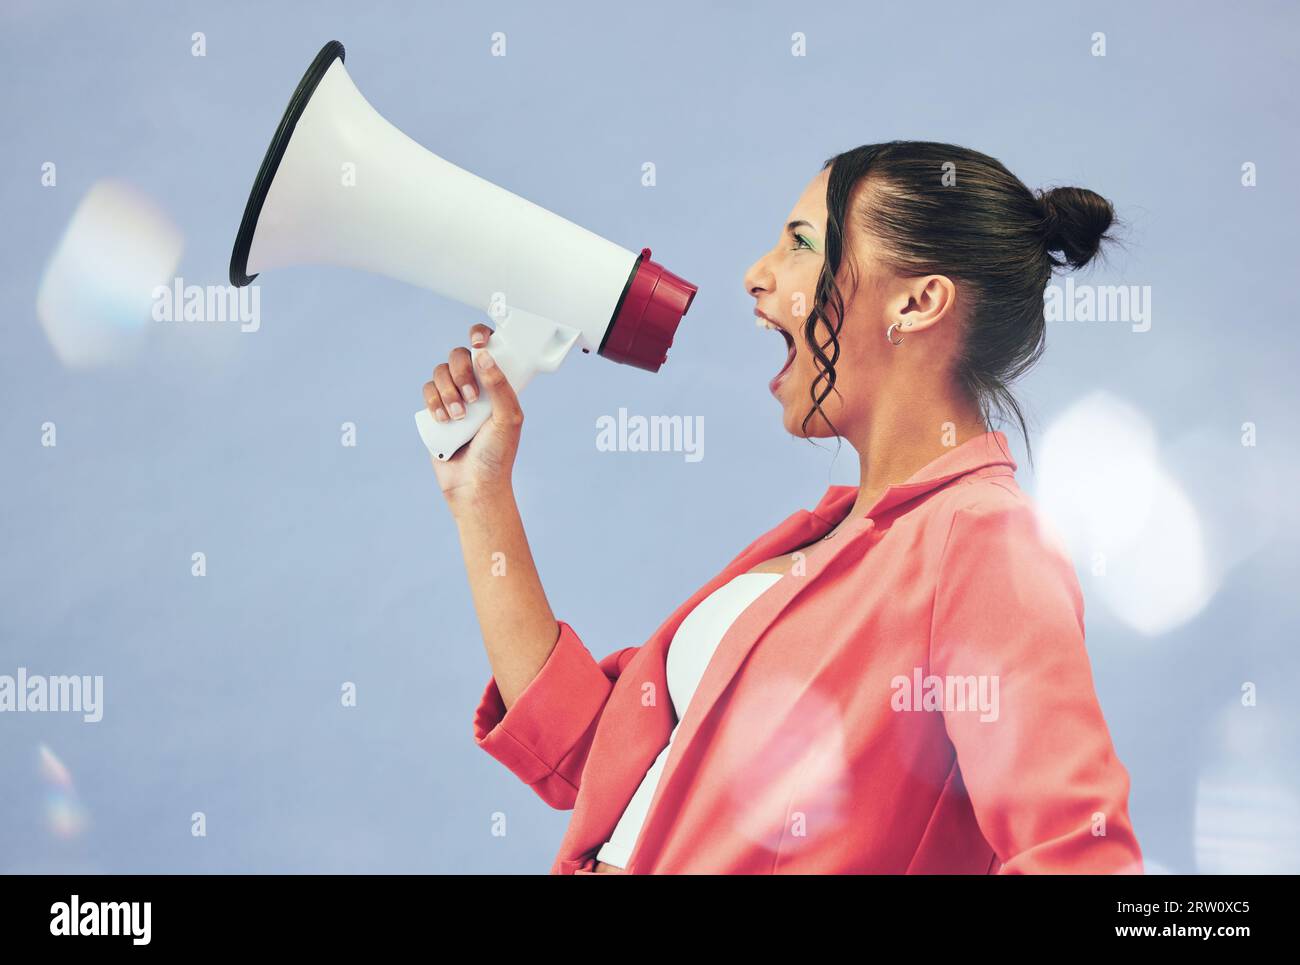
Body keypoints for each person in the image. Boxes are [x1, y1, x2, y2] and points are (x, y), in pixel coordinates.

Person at [423, 141, 1143, 875]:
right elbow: (596, 755)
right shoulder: (824, 543)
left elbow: (1079, 859)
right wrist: (480, 495)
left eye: (801, 242)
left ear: (918, 302)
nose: (756, 274)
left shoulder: (981, 540)